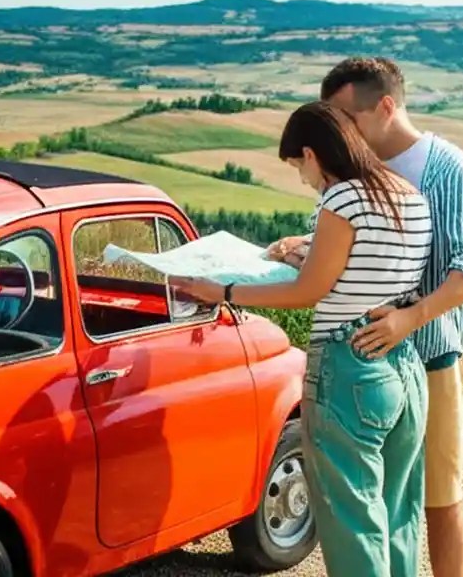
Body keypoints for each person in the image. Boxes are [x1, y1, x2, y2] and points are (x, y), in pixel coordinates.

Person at [170, 100, 432, 577]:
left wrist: (222, 290)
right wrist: (302, 252)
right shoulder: (404, 192)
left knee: (352, 516)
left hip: (349, 364)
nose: (302, 178)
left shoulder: (342, 199)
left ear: (312, 153)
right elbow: (364, 267)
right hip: (402, 361)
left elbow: (310, 292)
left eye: (297, 166)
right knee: (397, 512)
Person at [267, 57, 463, 577]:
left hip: (430, 353)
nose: (339, 131)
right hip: (367, 362)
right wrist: (302, 248)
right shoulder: (350, 169)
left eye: (347, 117)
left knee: (437, 496)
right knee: (384, 503)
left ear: (386, 107)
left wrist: (408, 320)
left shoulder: (451, 171)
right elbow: (346, 252)